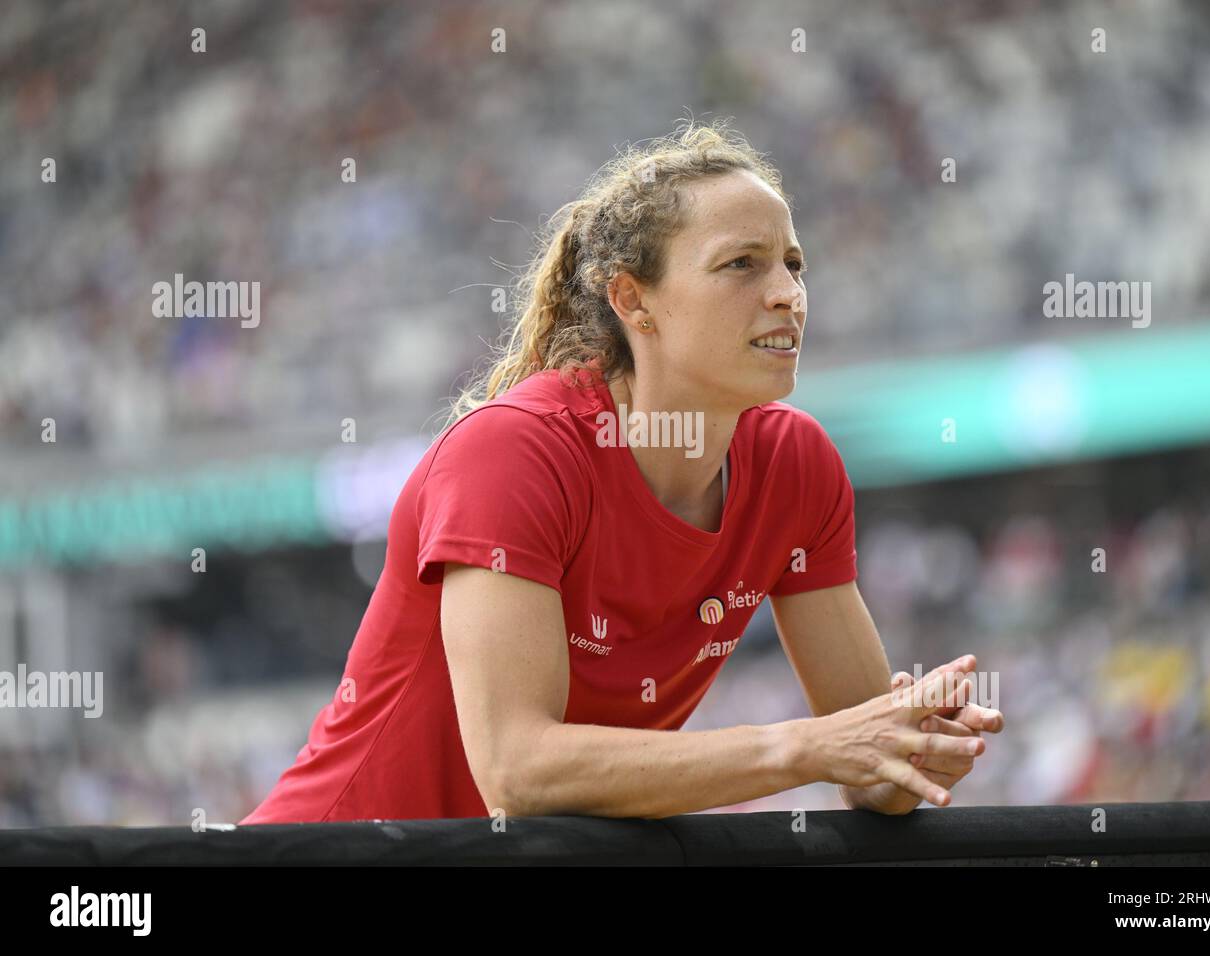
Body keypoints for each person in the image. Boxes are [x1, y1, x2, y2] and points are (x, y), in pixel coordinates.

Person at [240, 119, 1003, 824]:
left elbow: (869, 766)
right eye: (742, 264)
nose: (788, 295)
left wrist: (913, 746)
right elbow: (518, 769)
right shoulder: (514, 453)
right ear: (634, 302)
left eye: (793, 265)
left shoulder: (798, 465)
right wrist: (805, 747)